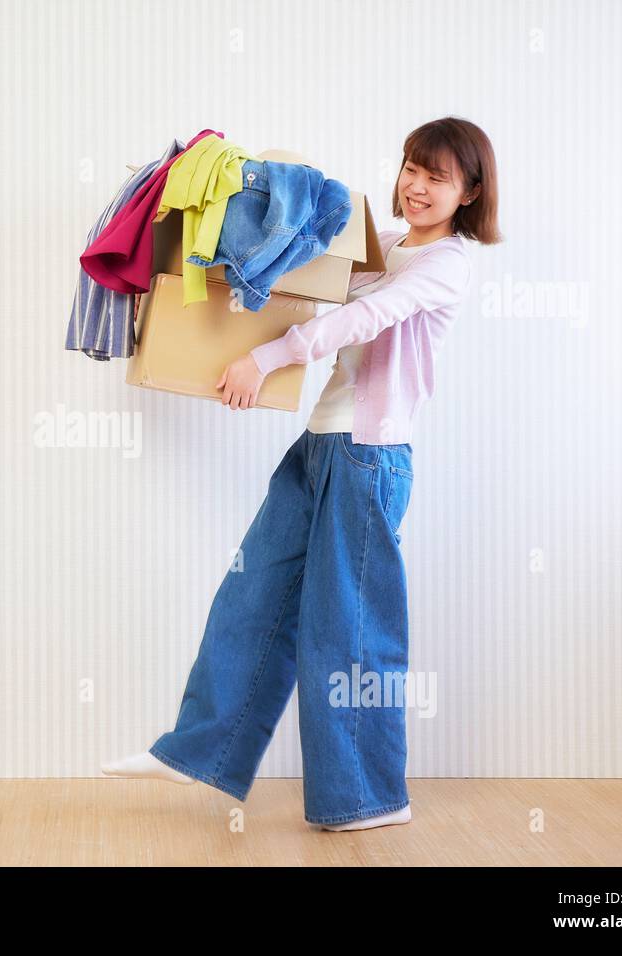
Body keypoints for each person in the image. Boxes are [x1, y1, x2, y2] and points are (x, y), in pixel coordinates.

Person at [103, 117, 502, 831]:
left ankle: (368, 797)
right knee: (251, 594)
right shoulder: (391, 245)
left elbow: (361, 320)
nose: (416, 186)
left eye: (437, 177)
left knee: (346, 628)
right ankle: (198, 749)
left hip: (369, 455)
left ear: (470, 191)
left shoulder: (447, 264)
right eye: (412, 168)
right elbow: (306, 284)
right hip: (321, 442)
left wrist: (267, 358)